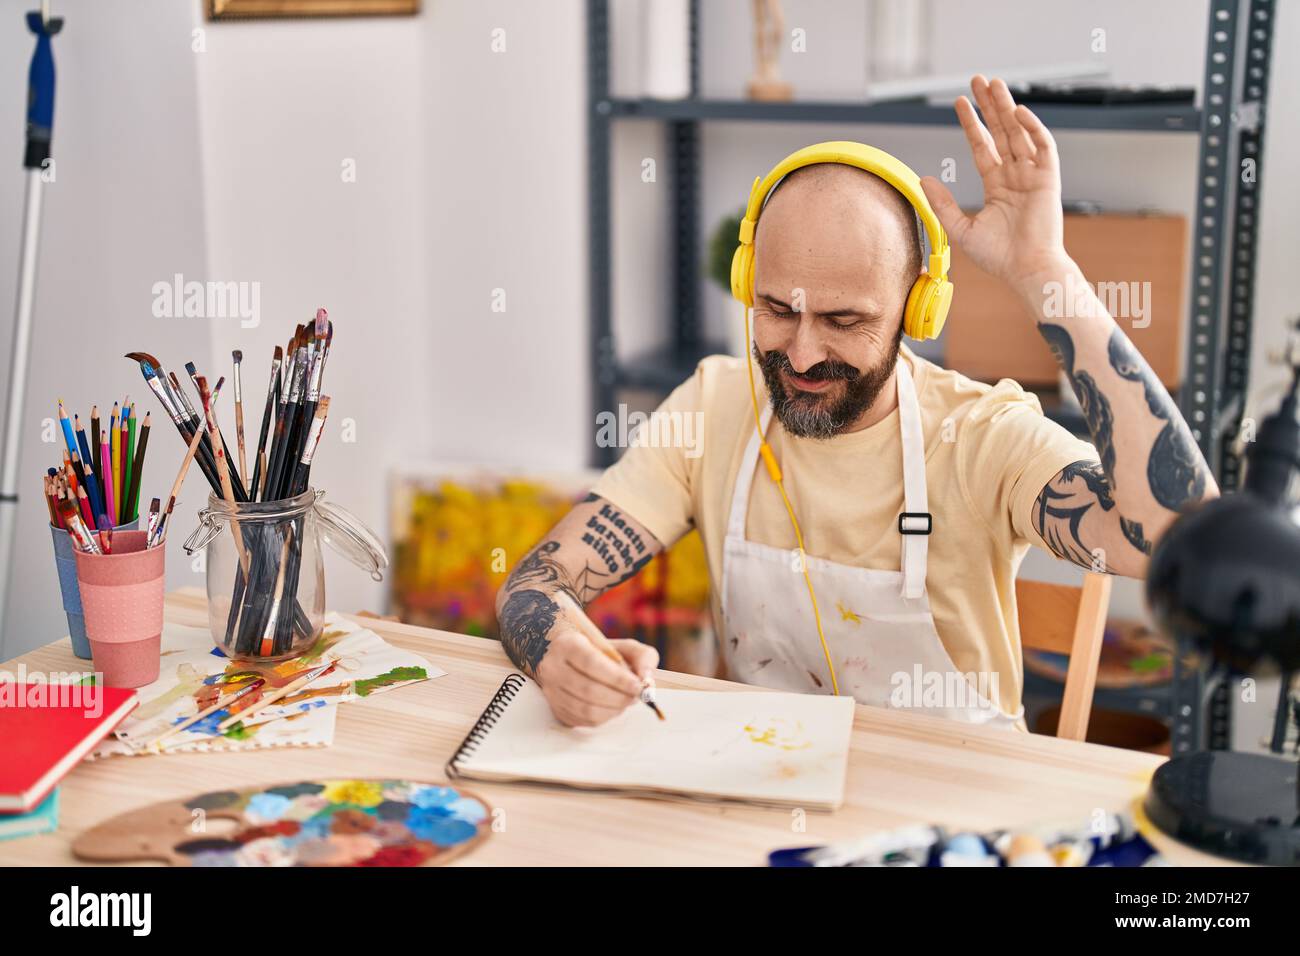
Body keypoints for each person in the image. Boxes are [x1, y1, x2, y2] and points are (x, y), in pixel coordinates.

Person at [495, 75, 1216, 729]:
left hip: (956, 812)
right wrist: (558, 651)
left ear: (917, 313)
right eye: (777, 309)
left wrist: (1045, 273)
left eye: (845, 322)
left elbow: (1177, 540)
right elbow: (534, 583)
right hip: (765, 789)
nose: (802, 356)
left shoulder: (985, 435)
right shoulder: (713, 407)